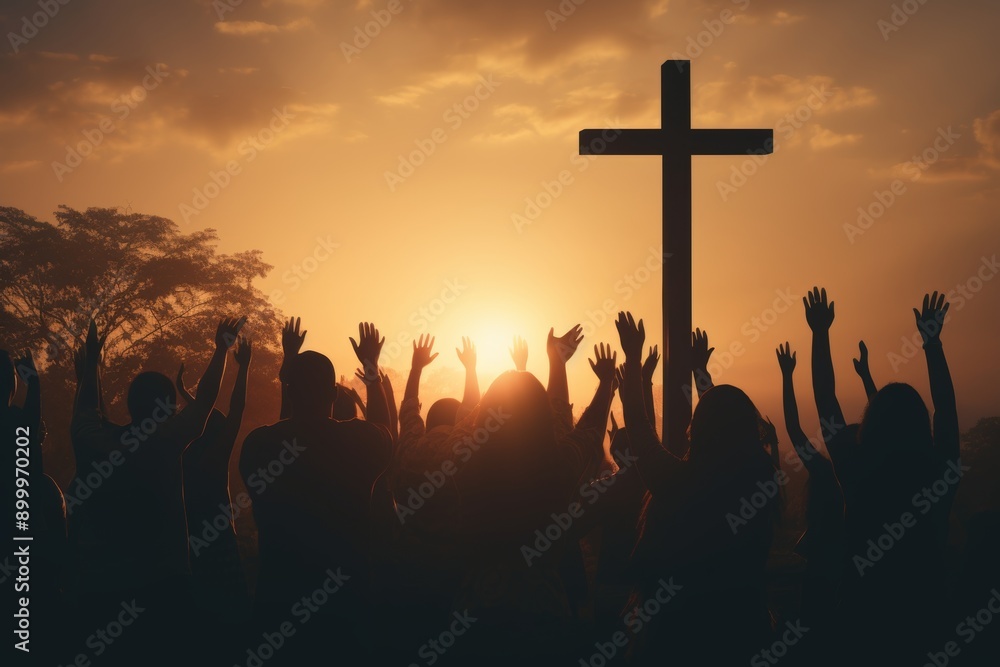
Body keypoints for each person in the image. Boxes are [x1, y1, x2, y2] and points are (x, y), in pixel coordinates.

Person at [69, 316, 244, 663]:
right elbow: (206, 399)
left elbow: (87, 408)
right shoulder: (166, 441)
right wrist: (220, 350)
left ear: (131, 405)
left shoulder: (91, 441)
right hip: (163, 590)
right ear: (168, 408)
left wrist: (92, 365)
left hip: (98, 591)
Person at [615, 312, 778, 665]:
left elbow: (639, 427)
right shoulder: (763, 484)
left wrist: (631, 355)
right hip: (744, 637)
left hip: (676, 641)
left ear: (697, 431)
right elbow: (726, 430)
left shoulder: (676, 484)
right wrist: (701, 375)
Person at [239, 321, 391, 663]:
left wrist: (288, 359)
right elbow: (384, 430)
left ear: (290, 393)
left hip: (278, 607)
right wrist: (370, 369)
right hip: (346, 609)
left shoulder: (258, 446)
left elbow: (283, 434)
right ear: (334, 395)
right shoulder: (359, 442)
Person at [835, 292, 959, 665]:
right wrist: (932, 344)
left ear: (870, 428)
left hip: (864, 632)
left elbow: (826, 401)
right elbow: (947, 410)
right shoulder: (938, 478)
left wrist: (820, 334)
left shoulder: (857, 479)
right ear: (921, 426)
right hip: (928, 628)